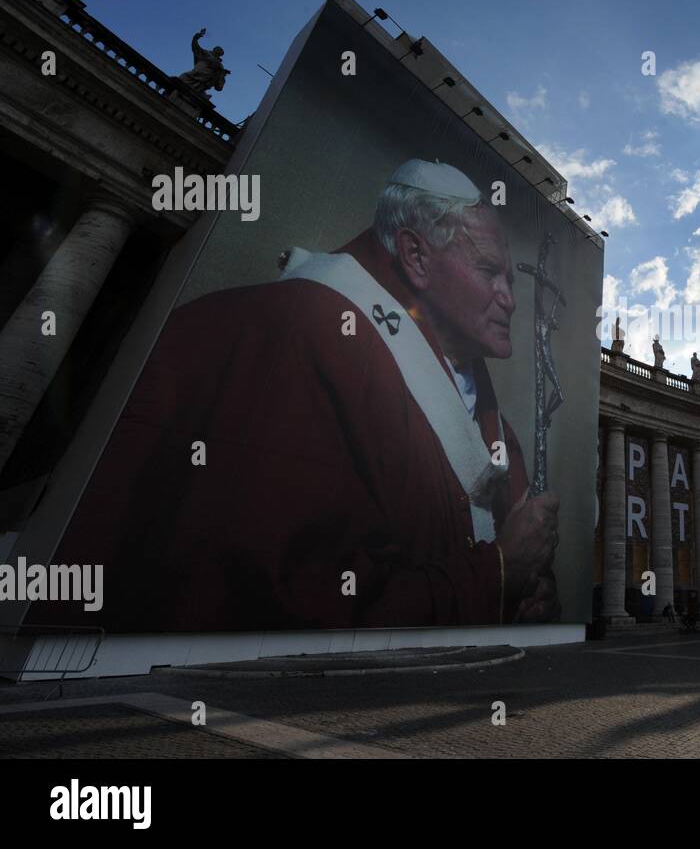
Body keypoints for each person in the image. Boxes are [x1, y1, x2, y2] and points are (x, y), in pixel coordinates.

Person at [40, 159, 559, 631]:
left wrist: (525, 593)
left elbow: (515, 566)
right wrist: (496, 577)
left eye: (510, 280)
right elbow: (281, 592)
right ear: (416, 256)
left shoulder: (500, 434)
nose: (510, 300)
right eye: (489, 272)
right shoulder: (292, 338)